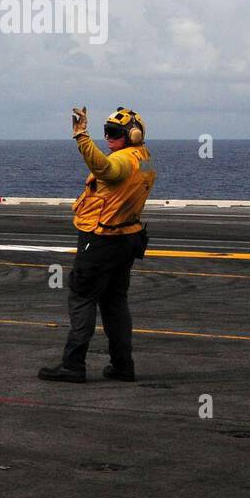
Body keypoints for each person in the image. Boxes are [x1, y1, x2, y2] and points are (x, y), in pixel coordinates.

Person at [38, 107, 155, 383]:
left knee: (82, 298)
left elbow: (104, 168)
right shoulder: (145, 158)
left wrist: (81, 136)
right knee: (115, 302)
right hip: (128, 238)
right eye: (106, 132)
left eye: (114, 133)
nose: (108, 137)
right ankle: (122, 365)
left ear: (133, 135)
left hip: (102, 240)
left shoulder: (123, 161)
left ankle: (73, 365)